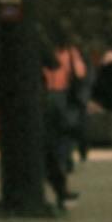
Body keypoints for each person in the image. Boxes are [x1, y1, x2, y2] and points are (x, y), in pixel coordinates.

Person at [42, 25, 90, 207]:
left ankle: (60, 171)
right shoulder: (71, 53)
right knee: (64, 134)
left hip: (46, 95)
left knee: (50, 138)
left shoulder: (46, 52)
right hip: (62, 96)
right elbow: (80, 73)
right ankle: (65, 161)